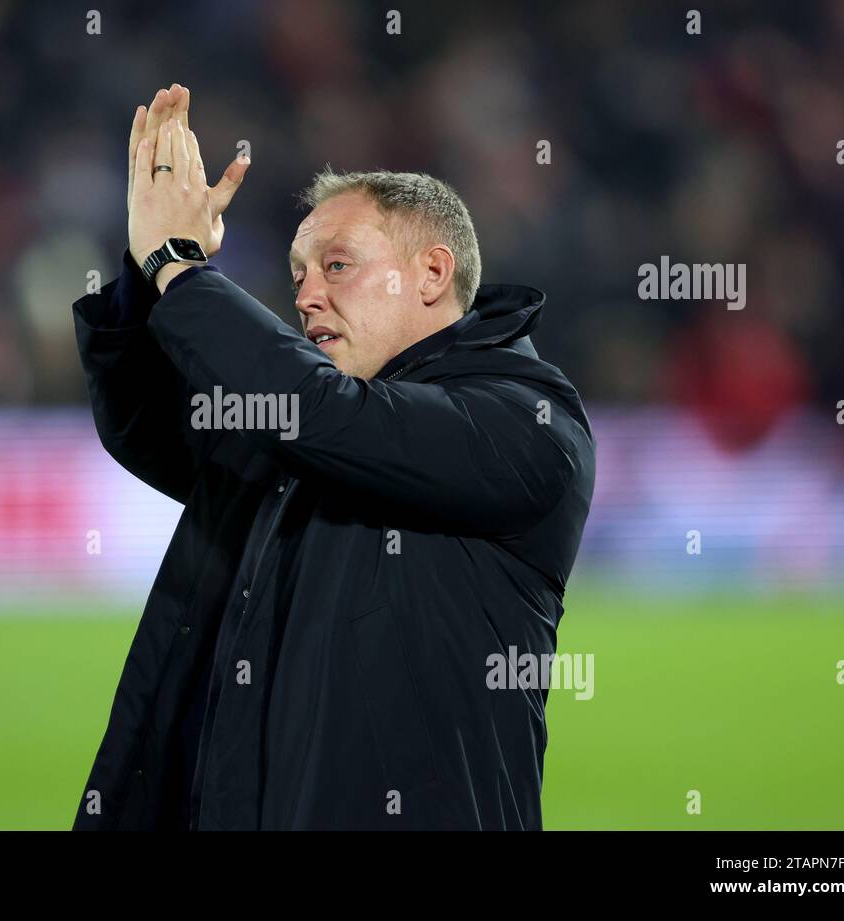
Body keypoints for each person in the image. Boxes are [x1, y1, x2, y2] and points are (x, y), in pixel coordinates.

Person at [72, 84, 595, 830]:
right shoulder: (302, 431)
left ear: (433, 273)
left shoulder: (527, 424)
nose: (307, 295)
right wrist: (144, 271)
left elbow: (329, 415)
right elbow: (148, 426)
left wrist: (180, 268)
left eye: (338, 266)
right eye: (298, 276)